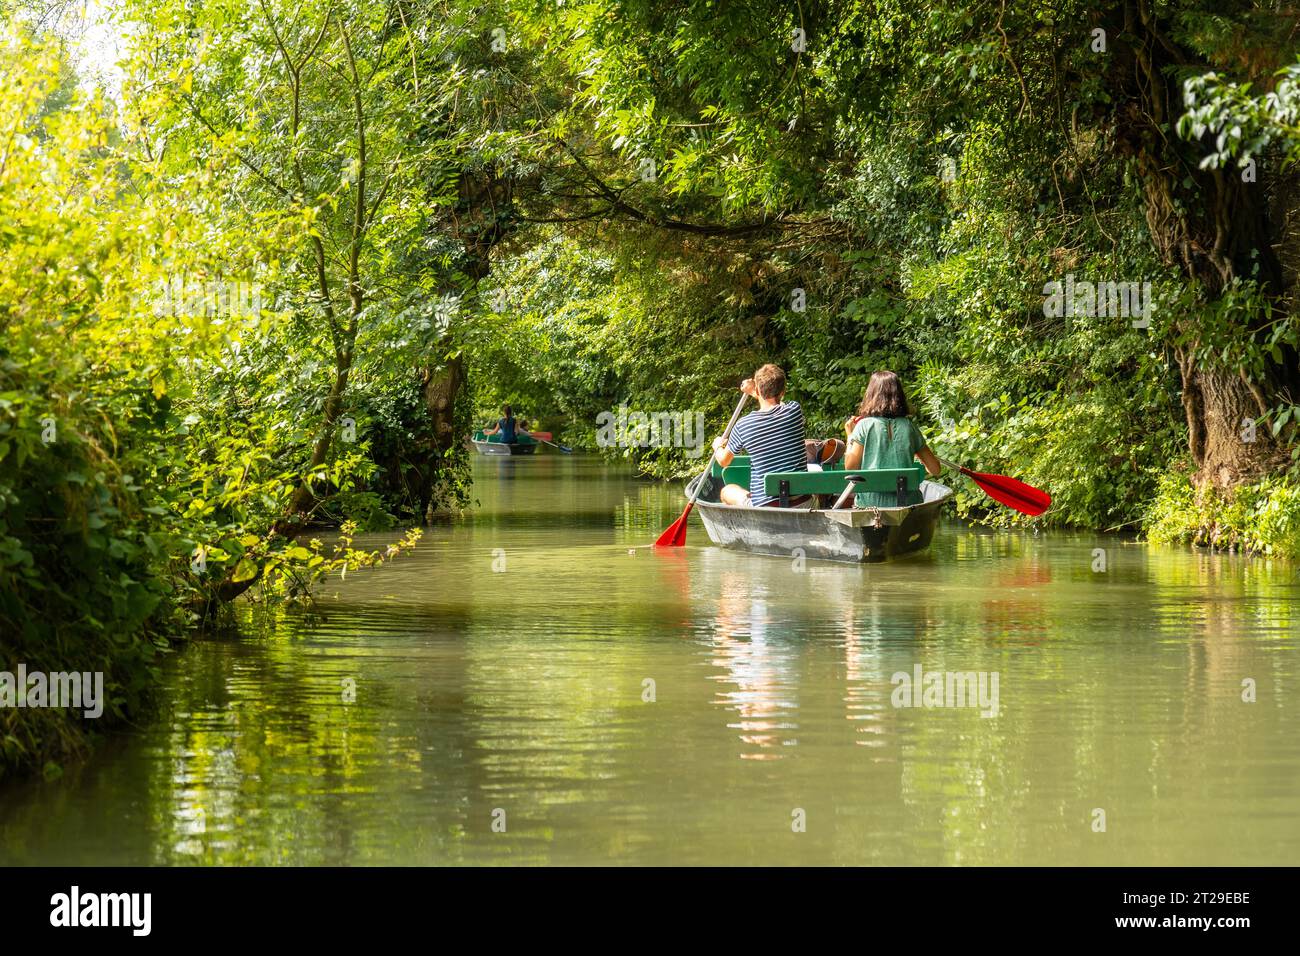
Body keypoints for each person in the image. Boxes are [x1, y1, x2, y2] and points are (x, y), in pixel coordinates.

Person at [711, 364, 812, 507]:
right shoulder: (794, 411)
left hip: (766, 506)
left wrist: (717, 446)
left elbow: (723, 461)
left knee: (727, 491)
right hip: (802, 503)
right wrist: (755, 390)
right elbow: (778, 403)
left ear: (758, 390)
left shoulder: (743, 425)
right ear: (783, 391)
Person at [842, 371, 942, 507]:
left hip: (871, 504)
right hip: (907, 503)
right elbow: (935, 469)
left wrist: (850, 436)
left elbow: (850, 467)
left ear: (871, 395)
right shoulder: (909, 426)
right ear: (899, 396)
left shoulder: (863, 426)